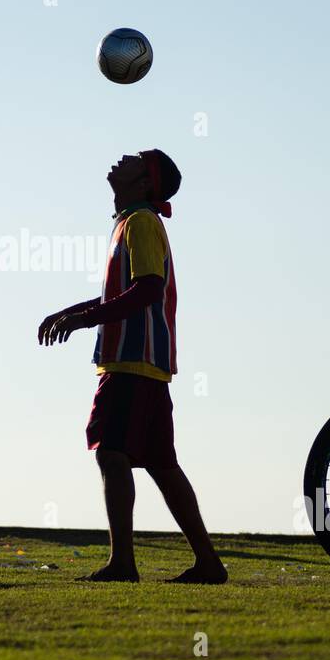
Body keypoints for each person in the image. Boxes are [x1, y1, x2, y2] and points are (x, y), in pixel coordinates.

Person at [38, 150, 226, 584]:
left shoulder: (140, 222)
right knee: (161, 462)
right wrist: (73, 311)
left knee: (110, 452)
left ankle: (123, 563)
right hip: (150, 363)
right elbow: (127, 292)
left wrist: (84, 319)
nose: (122, 158)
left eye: (135, 160)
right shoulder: (132, 221)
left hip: (132, 361)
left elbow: (147, 290)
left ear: (144, 183)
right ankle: (209, 563)